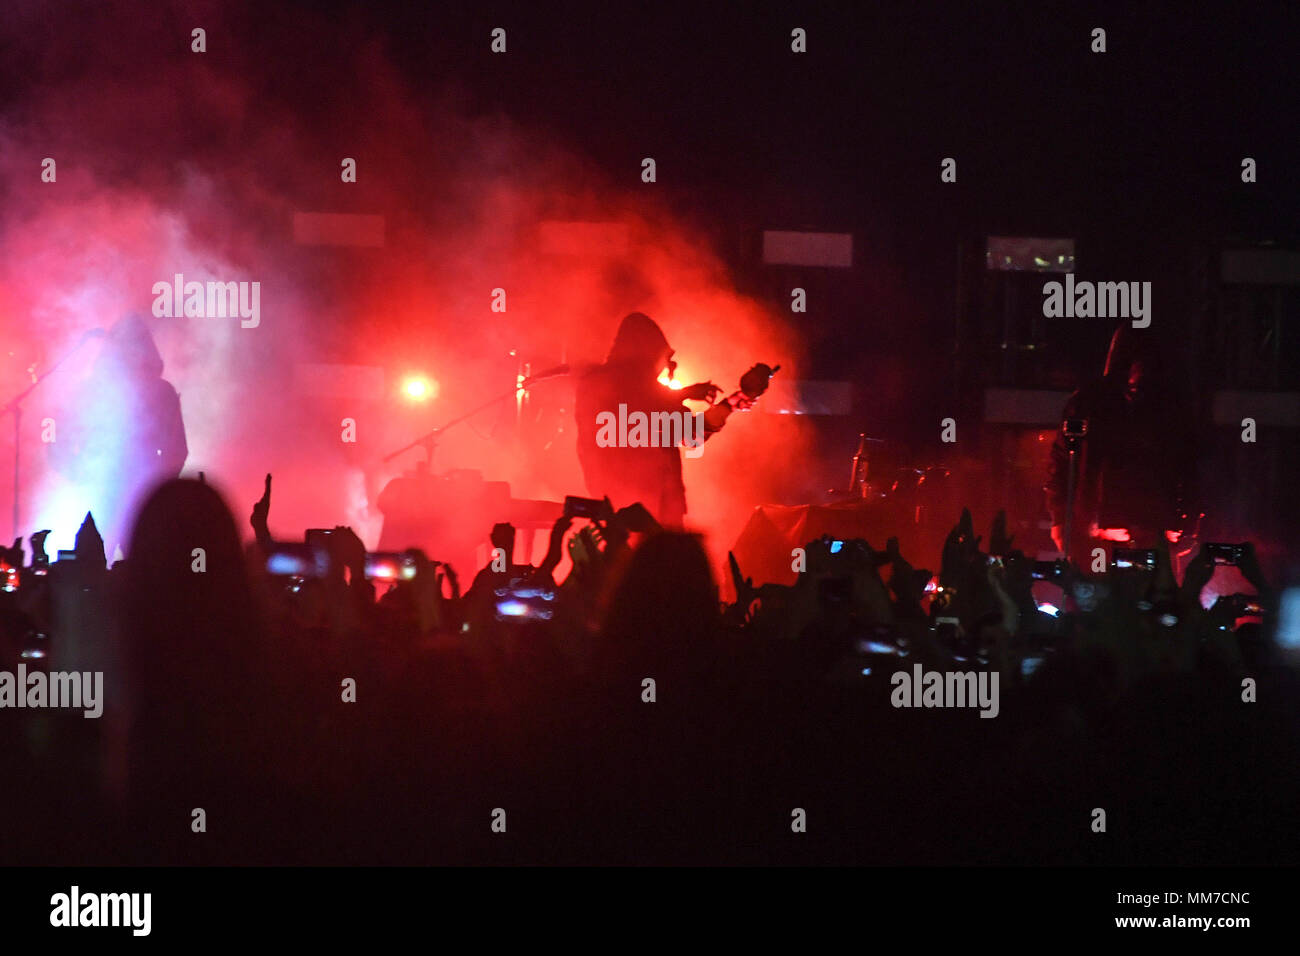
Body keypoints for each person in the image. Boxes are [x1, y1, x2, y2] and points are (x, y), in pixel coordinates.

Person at [48, 313, 187, 557]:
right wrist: (75, 470)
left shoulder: (160, 392)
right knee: (125, 573)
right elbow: (60, 438)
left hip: (130, 497)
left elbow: (177, 450)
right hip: (111, 496)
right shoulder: (91, 390)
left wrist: (157, 488)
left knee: (111, 572)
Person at [574, 312, 732, 528]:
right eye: (662, 356)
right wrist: (686, 395)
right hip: (637, 512)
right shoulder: (611, 386)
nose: (665, 367)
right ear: (645, 351)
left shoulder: (599, 385)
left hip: (640, 509)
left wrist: (729, 406)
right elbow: (638, 412)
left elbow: (689, 434)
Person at [1045, 327, 1190, 560]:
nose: (1137, 373)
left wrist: (1183, 522)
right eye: (1134, 363)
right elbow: (1062, 462)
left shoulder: (1168, 406)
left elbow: (1186, 465)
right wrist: (1061, 520)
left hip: (1147, 531)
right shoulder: (1088, 403)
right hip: (1101, 532)